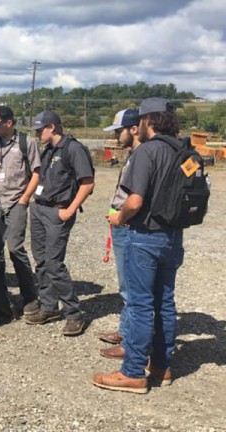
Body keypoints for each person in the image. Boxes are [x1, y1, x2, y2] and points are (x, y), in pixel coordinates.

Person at [93, 98, 184, 393]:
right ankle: (161, 365)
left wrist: (119, 218)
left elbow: (134, 201)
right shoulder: (183, 150)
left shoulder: (147, 150)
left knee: (140, 304)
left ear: (149, 121)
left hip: (144, 235)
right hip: (173, 237)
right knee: (165, 303)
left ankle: (132, 372)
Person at [24, 110, 94, 336]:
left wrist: (70, 210)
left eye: (39, 129)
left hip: (58, 211)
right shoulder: (48, 150)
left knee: (54, 263)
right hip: (39, 208)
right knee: (41, 260)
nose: (37, 134)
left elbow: (87, 183)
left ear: (52, 127)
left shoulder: (73, 149)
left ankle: (73, 314)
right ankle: (49, 307)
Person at [0, 105, 41, 316]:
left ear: (9, 123)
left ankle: (29, 297)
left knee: (15, 249)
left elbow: (37, 173)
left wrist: (24, 199)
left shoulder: (26, 143)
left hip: (15, 202)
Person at [96, 108, 141, 360]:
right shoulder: (133, 154)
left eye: (118, 131)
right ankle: (126, 330)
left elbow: (137, 199)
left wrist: (120, 217)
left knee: (132, 286)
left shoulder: (142, 156)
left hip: (128, 224)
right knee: (126, 284)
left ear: (134, 129)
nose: (116, 137)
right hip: (121, 223)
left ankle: (132, 341)